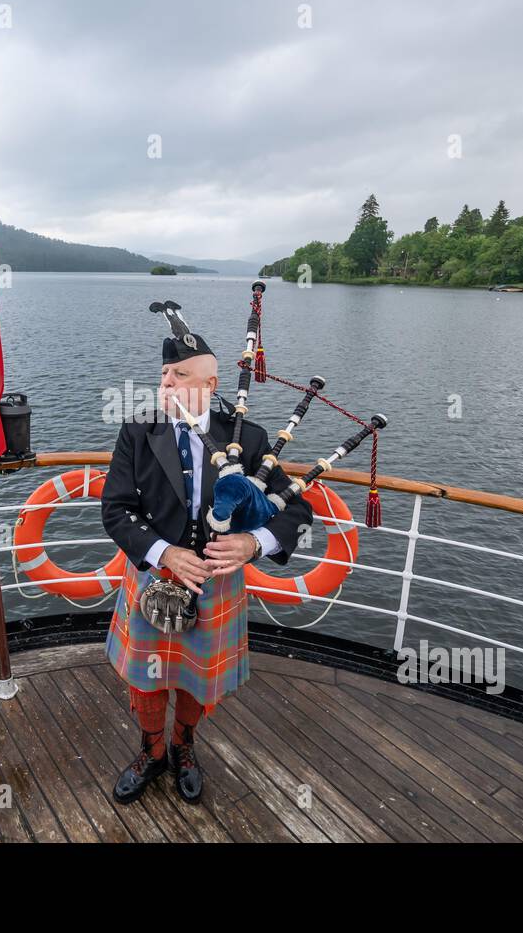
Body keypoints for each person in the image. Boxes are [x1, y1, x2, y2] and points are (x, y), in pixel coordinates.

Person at [100, 311, 312, 805]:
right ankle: (152, 751)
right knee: (148, 681)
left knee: (198, 679)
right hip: (156, 577)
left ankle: (183, 747)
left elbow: (296, 509)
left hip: (216, 581)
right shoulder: (139, 431)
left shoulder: (252, 438)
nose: (166, 382)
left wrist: (254, 543)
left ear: (210, 383)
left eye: (179, 375)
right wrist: (165, 552)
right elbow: (115, 510)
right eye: (163, 374)